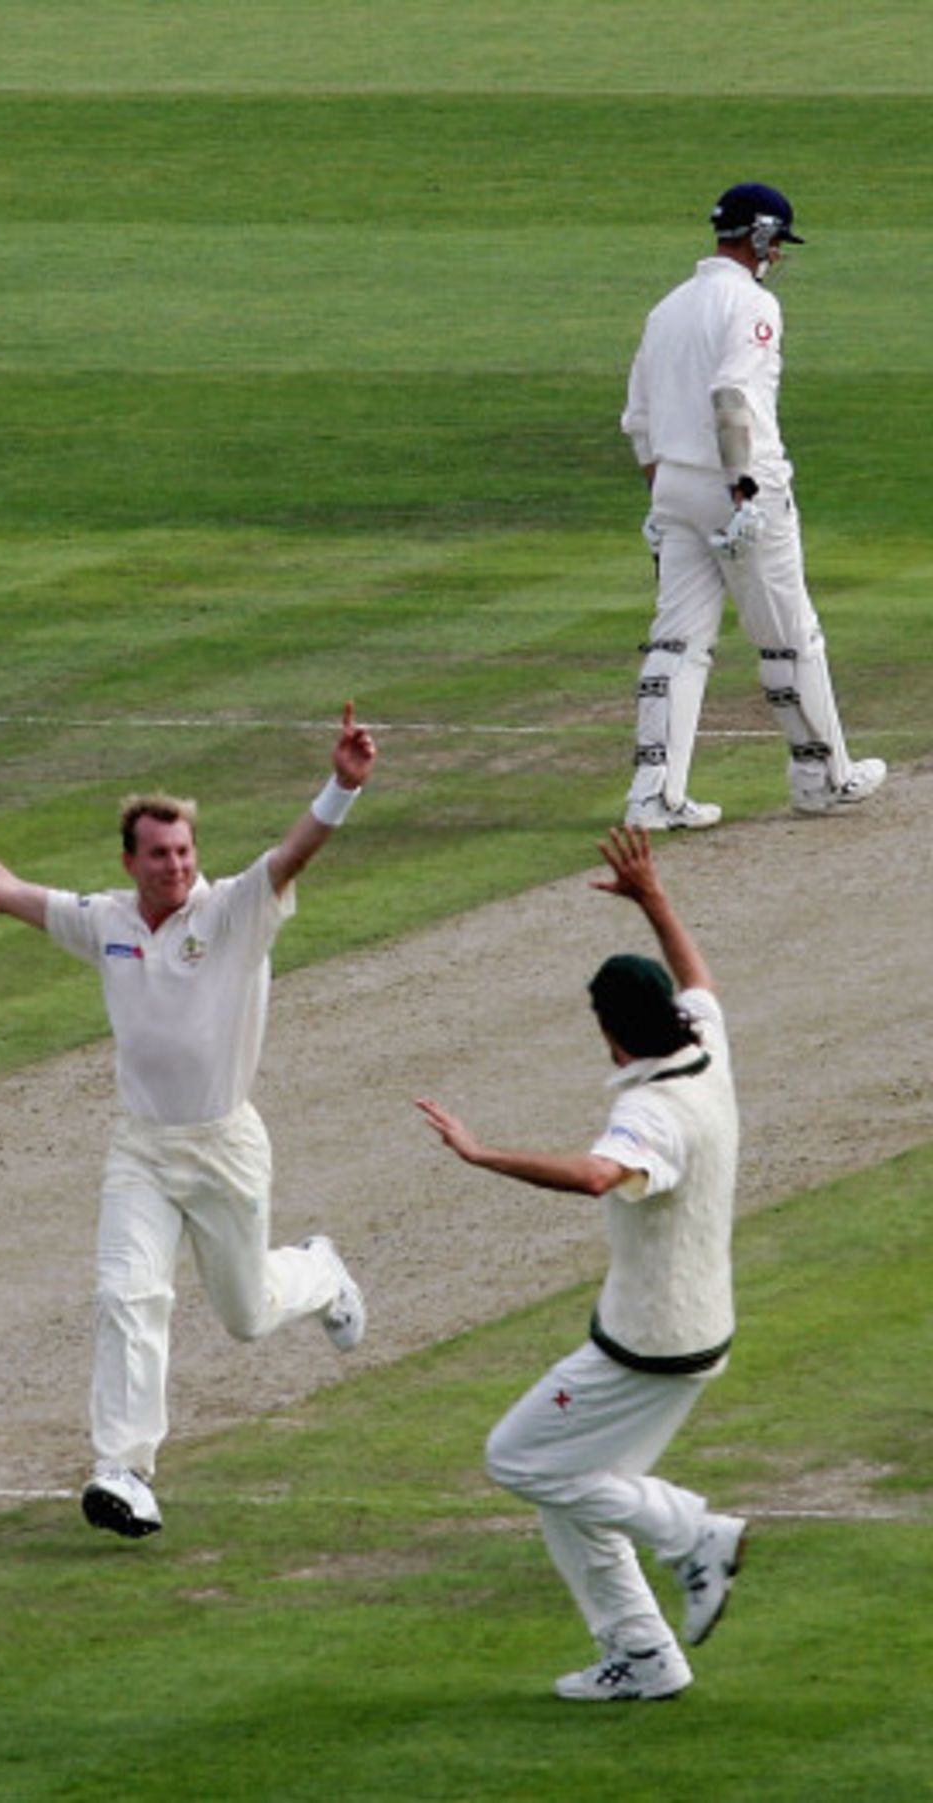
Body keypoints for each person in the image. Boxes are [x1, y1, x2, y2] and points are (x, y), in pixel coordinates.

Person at [0, 704, 376, 1540]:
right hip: (141, 1147)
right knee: (126, 1293)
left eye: (185, 851)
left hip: (225, 1145)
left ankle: (321, 1271)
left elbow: (294, 852)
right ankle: (124, 1469)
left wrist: (343, 786)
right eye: (160, 853)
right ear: (130, 860)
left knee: (248, 1314)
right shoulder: (104, 919)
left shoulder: (235, 911)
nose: (176, 865)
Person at [416, 825, 746, 1702]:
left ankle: (693, 1531)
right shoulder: (704, 1044)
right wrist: (653, 898)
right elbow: (701, 981)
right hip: (689, 1328)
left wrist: (484, 1155)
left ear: (609, 1031)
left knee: (520, 1458)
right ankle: (644, 1655)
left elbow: (600, 1172)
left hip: (648, 1345)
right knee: (578, 1487)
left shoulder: (657, 1117)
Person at [620, 181, 886, 830]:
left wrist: (664, 499)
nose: (779, 259)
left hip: (676, 487)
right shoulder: (751, 306)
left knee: (678, 642)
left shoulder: (668, 309)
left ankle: (653, 795)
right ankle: (823, 777)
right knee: (790, 638)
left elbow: (638, 420)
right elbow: (734, 394)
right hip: (741, 486)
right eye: (777, 245)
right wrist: (742, 490)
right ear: (762, 237)